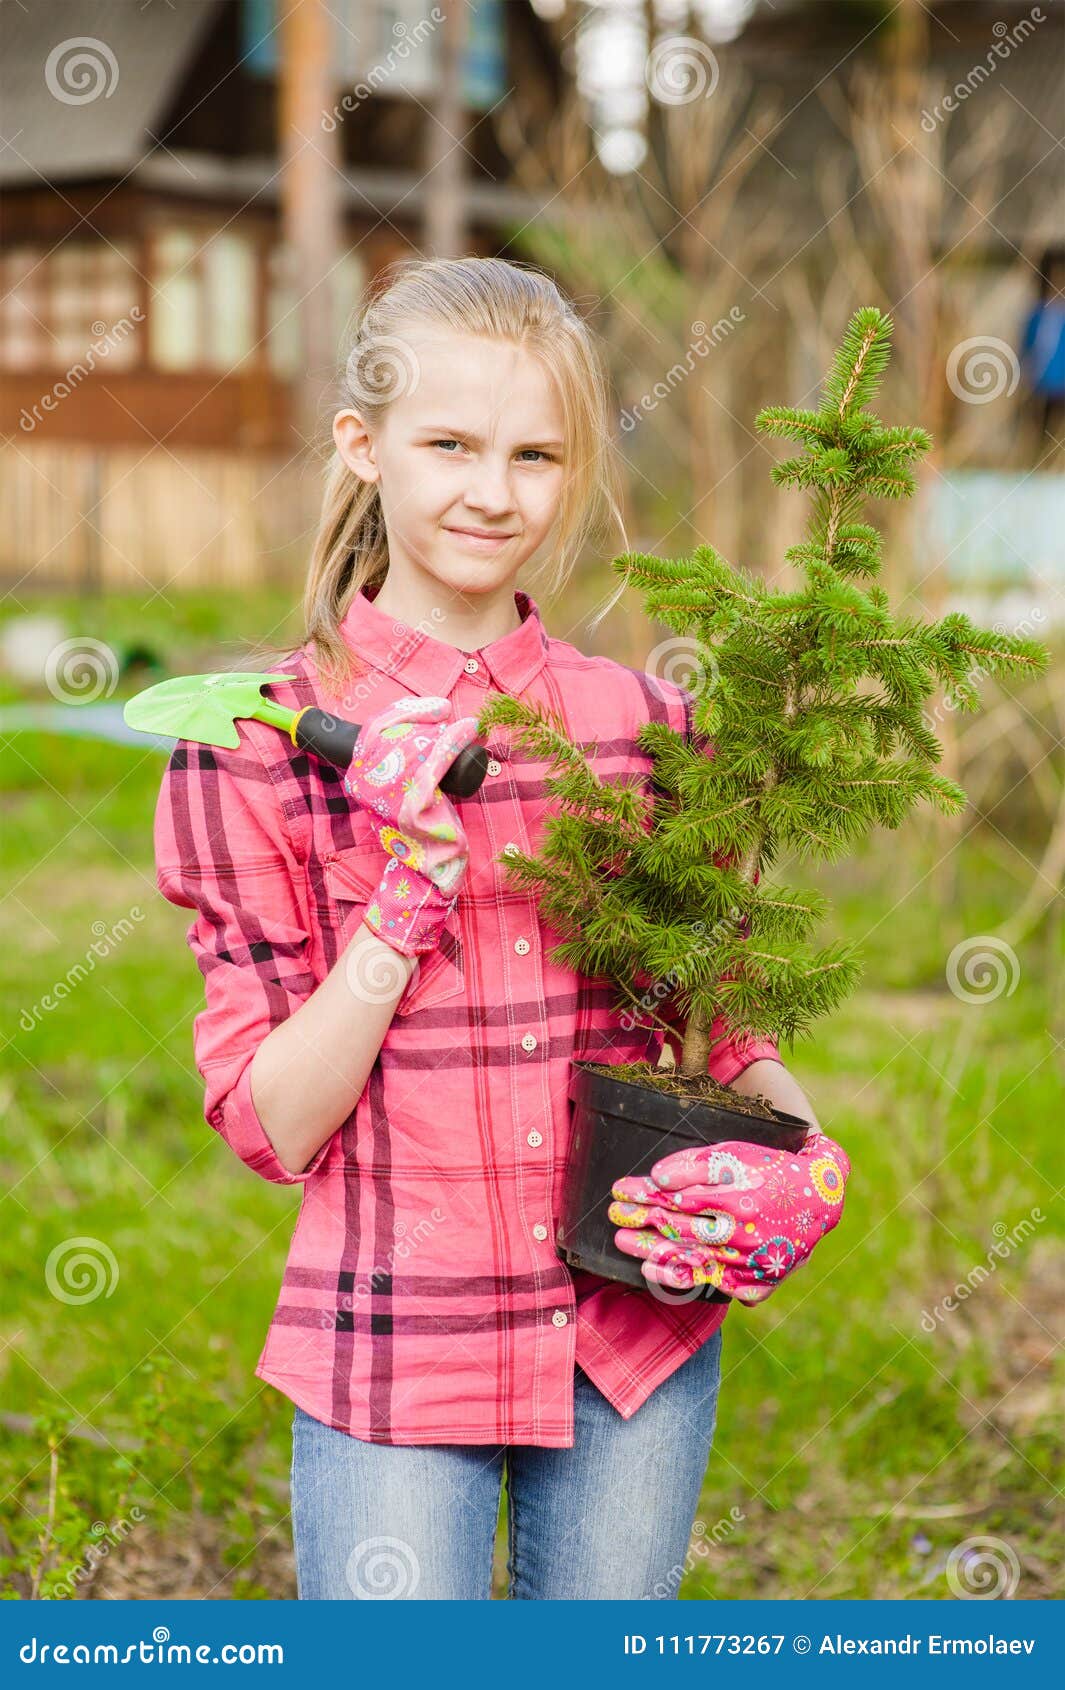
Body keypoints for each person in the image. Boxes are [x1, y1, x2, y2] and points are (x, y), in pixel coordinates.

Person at [153, 256, 850, 1601]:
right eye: (450, 444)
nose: (492, 490)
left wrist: (799, 1151)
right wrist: (397, 909)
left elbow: (720, 1014)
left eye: (536, 454)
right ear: (363, 448)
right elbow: (271, 1120)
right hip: (391, 1346)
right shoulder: (260, 746)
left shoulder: (649, 727)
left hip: (633, 1334)